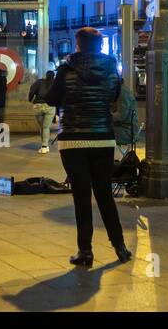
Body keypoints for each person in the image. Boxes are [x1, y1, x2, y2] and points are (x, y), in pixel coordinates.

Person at [47, 27, 132, 267]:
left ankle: (85, 252)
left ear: (78, 44)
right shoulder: (111, 69)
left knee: (81, 197)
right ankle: (120, 247)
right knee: (104, 194)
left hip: (73, 139)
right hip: (103, 137)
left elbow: (52, 99)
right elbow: (114, 96)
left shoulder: (66, 68)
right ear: (100, 46)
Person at [111, 68, 138, 158]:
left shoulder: (123, 92)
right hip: (123, 127)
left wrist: (105, 116)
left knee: (101, 135)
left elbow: (121, 116)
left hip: (126, 131)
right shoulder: (119, 90)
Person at [28, 69, 57, 154]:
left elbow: (32, 90)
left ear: (45, 75)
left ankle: (44, 145)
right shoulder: (55, 84)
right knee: (46, 127)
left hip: (38, 106)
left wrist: (30, 99)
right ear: (54, 76)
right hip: (50, 106)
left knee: (42, 127)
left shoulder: (39, 82)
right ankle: (45, 146)